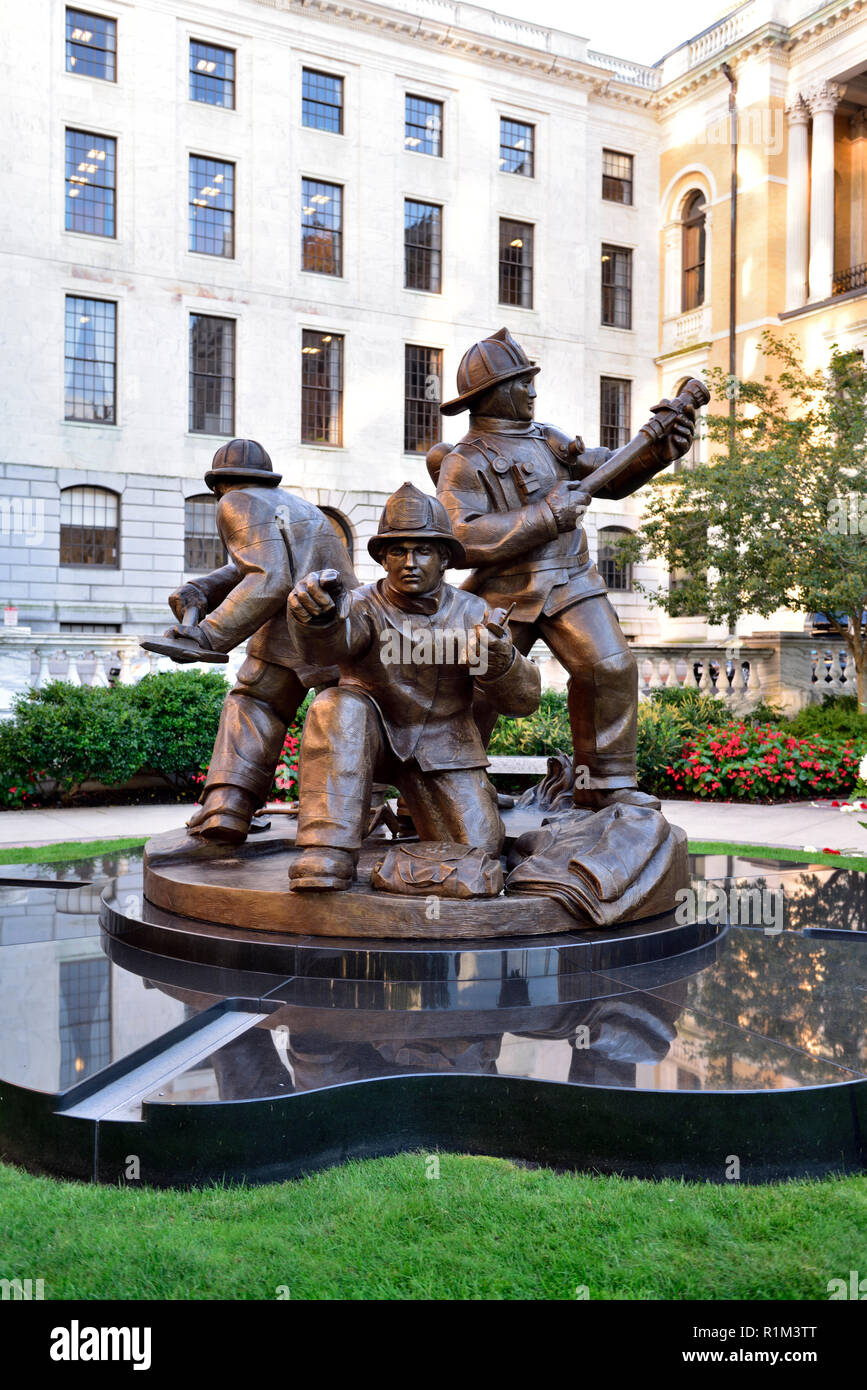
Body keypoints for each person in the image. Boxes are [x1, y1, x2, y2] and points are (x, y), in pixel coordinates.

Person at [434, 327, 695, 811]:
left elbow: (608, 473)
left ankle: (604, 784)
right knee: (470, 688)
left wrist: (659, 452)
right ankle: (444, 792)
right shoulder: (462, 463)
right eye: (522, 382)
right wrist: (544, 516)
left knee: (611, 667)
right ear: (494, 393)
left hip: (571, 580)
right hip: (502, 592)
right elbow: (459, 537)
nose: (533, 391)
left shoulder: (547, 439)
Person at [285, 482, 540, 891]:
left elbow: (522, 701)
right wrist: (317, 617)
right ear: (383, 559)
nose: (409, 562)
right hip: (369, 736)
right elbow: (333, 644)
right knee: (336, 704)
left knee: (479, 853)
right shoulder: (361, 604)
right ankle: (326, 849)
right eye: (398, 551)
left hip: (443, 747)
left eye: (423, 551)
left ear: (443, 559)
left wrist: (501, 663)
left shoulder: (473, 612)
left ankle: (408, 855)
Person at [167, 438, 357, 843]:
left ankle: (228, 807)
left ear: (219, 485)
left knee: (255, 704)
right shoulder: (296, 506)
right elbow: (263, 563)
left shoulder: (235, 503)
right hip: (339, 626)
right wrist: (204, 588)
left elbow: (270, 577)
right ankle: (361, 805)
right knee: (347, 716)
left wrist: (208, 634)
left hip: (305, 620)